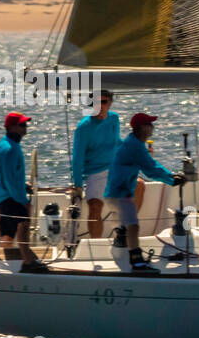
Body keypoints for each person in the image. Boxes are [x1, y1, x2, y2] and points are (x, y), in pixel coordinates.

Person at [105, 113, 183, 272]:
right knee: (133, 226)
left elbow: (150, 164)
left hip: (116, 191)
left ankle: (131, 255)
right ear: (141, 127)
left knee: (129, 227)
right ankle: (138, 263)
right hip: (120, 193)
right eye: (149, 124)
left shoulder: (133, 142)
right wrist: (172, 180)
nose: (152, 127)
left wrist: (170, 175)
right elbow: (151, 169)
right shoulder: (135, 146)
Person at [0, 112, 49, 273]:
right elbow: (9, 179)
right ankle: (28, 262)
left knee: (8, 232)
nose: (25, 128)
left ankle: (2, 261)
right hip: (11, 197)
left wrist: (23, 185)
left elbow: (9, 175)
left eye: (25, 124)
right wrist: (23, 201)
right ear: (11, 127)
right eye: (22, 125)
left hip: (3, 196)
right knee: (23, 224)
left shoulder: (5, 144)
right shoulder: (10, 149)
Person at [70, 89, 119, 238]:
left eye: (104, 102)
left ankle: (124, 234)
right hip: (95, 172)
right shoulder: (84, 127)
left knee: (139, 186)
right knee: (95, 206)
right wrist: (78, 184)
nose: (100, 106)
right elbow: (77, 157)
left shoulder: (114, 118)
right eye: (96, 102)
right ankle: (97, 244)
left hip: (115, 168)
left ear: (110, 103)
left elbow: (117, 142)